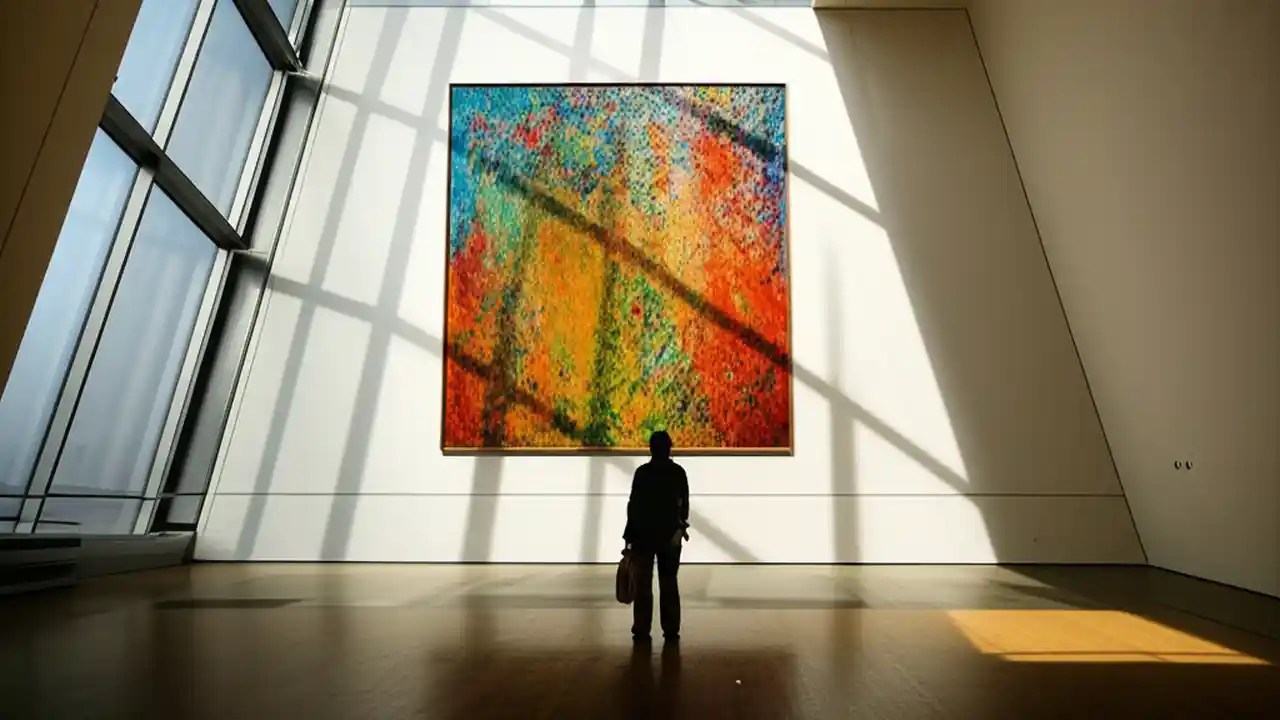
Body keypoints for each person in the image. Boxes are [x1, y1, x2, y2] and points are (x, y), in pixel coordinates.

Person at [623, 431, 690, 642]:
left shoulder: (642, 473)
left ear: (651, 448)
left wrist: (629, 537)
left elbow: (633, 506)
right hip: (670, 536)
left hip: (643, 537)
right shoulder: (677, 472)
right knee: (669, 583)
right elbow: (684, 505)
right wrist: (680, 528)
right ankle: (671, 628)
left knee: (643, 584)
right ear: (669, 448)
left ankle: (642, 627)